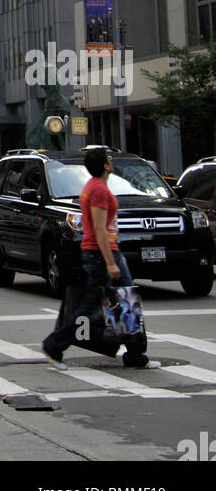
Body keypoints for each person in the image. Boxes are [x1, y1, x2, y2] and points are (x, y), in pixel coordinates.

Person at [42, 147, 160, 371]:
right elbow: (99, 228)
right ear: (105, 165)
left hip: (103, 252)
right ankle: (54, 345)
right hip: (101, 253)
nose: (111, 160)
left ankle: (134, 355)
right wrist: (110, 261)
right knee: (99, 305)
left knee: (124, 301)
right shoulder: (97, 190)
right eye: (108, 158)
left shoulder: (95, 187)